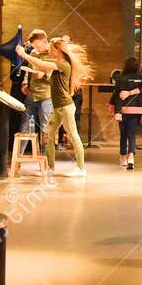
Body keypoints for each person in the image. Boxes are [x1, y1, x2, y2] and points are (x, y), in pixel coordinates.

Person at [42, 36, 90, 178]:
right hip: (57, 107)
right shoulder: (57, 65)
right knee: (49, 135)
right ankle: (50, 167)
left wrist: (23, 54)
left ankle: (81, 168)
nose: (50, 51)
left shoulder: (63, 64)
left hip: (65, 106)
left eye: (51, 48)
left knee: (73, 135)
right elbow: (48, 74)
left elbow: (41, 63)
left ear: (58, 50)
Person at [110, 56, 142, 171]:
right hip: (137, 109)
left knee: (123, 134)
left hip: (123, 109)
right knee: (132, 133)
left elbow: (117, 96)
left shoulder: (121, 78)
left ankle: (123, 156)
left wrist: (116, 110)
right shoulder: (141, 78)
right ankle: (131, 157)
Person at [19, 29, 53, 135]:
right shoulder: (34, 53)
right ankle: (20, 152)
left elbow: (58, 75)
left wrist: (45, 75)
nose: (36, 49)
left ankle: (45, 152)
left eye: (38, 46)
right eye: (34, 47)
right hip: (32, 93)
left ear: (45, 41)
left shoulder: (53, 54)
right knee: (25, 126)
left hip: (46, 95)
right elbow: (28, 70)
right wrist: (25, 83)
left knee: (45, 128)